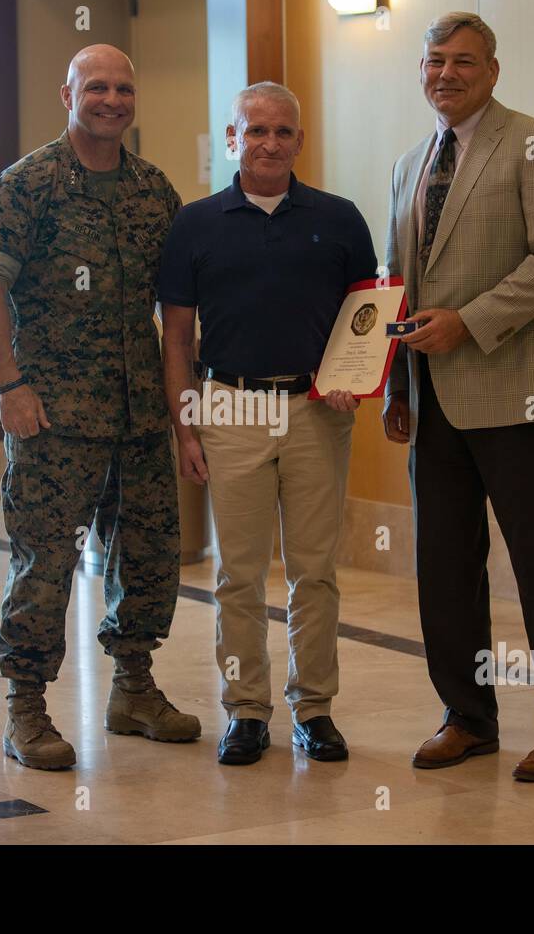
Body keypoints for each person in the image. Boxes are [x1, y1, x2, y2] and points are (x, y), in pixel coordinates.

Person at [383, 13, 534, 781]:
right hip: (434, 400)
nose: (447, 74)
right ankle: (468, 717)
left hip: (522, 397)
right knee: (443, 566)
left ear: (494, 71)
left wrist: (470, 324)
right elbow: (397, 285)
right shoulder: (411, 162)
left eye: (464, 62)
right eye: (435, 61)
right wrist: (395, 387)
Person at [0, 44, 200, 771]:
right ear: (65, 93)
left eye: (123, 87)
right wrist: (10, 386)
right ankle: (25, 710)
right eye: (95, 86)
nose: (111, 98)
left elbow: (176, 313)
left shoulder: (154, 191)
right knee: (46, 561)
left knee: (151, 554)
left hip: (137, 417)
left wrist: (178, 410)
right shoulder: (28, 184)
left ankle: (133, 687)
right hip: (53, 416)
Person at [158, 82, 377, 766]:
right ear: (233, 139)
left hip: (315, 412)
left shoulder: (341, 219)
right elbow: (176, 338)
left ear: (300, 142)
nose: (270, 143)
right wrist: (186, 427)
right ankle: (246, 711)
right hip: (229, 408)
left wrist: (350, 378)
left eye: (283, 132)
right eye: (256, 131)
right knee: (238, 574)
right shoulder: (194, 224)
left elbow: (365, 316)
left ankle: (314, 709)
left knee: (314, 572)